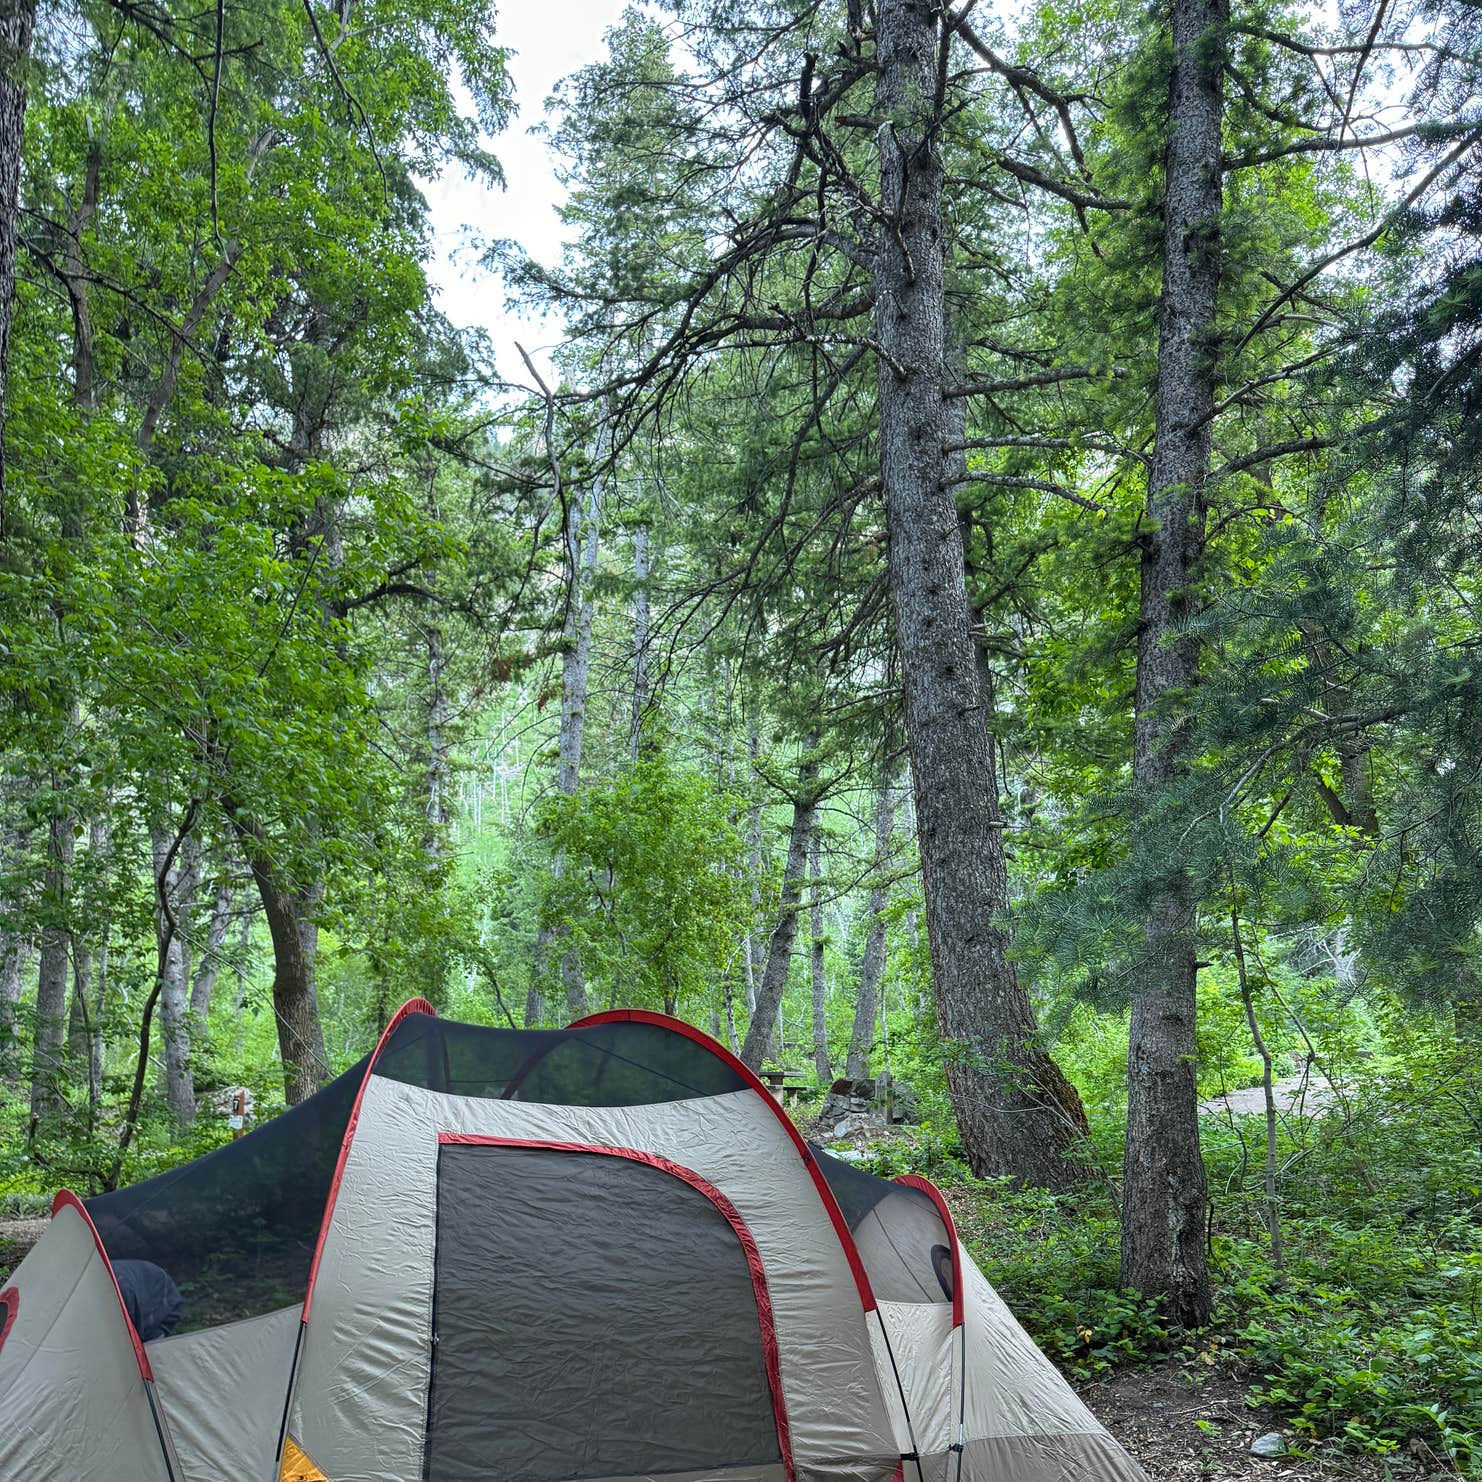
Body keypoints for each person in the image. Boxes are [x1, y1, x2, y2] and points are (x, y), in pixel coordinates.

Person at [111, 1259, 183, 1342]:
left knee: (146, 1346)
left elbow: (131, 1334)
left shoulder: (120, 1290)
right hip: (138, 1287)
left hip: (163, 1296)